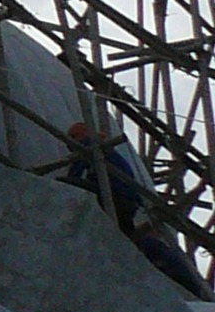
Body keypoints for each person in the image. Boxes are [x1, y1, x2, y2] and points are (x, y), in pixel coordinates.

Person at [58, 120, 212, 299]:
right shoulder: (109, 152)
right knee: (127, 236)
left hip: (114, 198)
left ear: (77, 136)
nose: (71, 150)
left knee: (66, 186)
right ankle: (197, 290)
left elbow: (76, 171)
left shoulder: (90, 145)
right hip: (126, 203)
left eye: (71, 144)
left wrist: (66, 185)